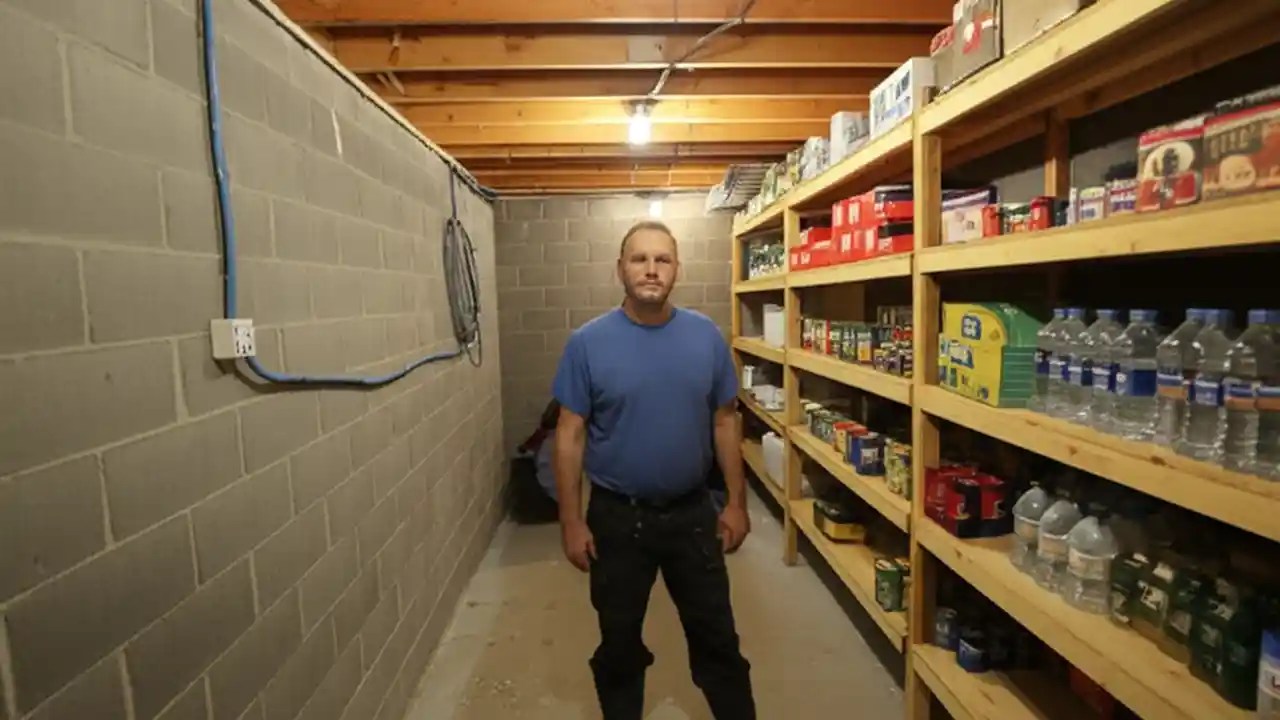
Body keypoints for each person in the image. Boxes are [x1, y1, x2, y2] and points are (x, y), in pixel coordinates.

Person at [552, 220, 756, 720]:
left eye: (662, 259)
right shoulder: (587, 343)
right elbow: (569, 434)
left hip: (692, 516)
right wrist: (571, 520)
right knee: (619, 645)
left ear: (677, 270)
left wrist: (736, 501)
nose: (650, 269)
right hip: (618, 521)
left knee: (718, 642)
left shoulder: (705, 337)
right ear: (619, 268)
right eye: (639, 258)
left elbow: (725, 420)